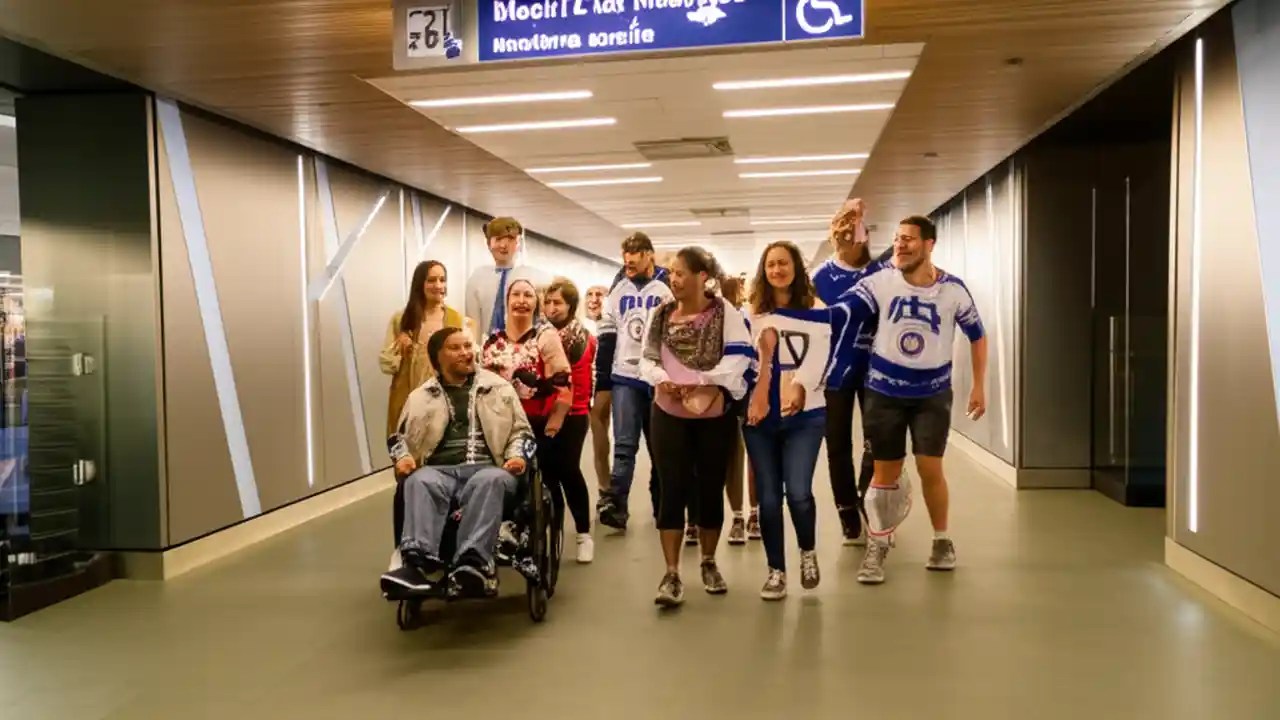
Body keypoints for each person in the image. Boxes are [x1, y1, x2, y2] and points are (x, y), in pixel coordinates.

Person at [833, 215, 988, 584]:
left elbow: (977, 335)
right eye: (897, 238)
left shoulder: (953, 290)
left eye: (909, 239)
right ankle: (878, 543)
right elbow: (840, 310)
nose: (900, 245)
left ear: (929, 244)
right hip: (884, 391)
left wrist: (979, 385)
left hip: (932, 394)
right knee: (884, 472)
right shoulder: (881, 281)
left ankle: (941, 539)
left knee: (930, 467)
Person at [380, 327, 533, 600]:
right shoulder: (420, 396)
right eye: (456, 348)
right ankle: (416, 564)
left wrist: (517, 455)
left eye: (467, 346)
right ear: (437, 357)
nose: (466, 353)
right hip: (439, 470)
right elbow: (398, 438)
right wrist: (402, 457)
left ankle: (472, 563)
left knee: (490, 480)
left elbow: (521, 431)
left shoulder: (498, 388)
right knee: (418, 481)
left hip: (489, 467)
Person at [641, 247, 752, 608]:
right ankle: (671, 573)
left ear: (703, 277)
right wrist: (662, 378)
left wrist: (704, 379)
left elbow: (740, 357)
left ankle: (708, 561)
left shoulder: (725, 313)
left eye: (680, 272)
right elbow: (647, 358)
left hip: (711, 414)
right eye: (670, 273)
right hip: (667, 412)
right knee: (671, 487)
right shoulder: (660, 314)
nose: (673, 279)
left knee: (709, 487)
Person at [741, 241, 831, 600]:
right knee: (767, 497)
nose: (777, 270)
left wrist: (801, 384)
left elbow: (821, 352)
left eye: (784, 263)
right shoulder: (751, 315)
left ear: (796, 268)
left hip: (805, 416)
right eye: (771, 264)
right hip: (760, 417)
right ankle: (776, 570)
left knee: (798, 492)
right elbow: (744, 360)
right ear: (764, 271)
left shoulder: (816, 310)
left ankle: (807, 552)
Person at [479, 279, 590, 564]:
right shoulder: (492, 342)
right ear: (507, 300)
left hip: (541, 420)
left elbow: (564, 382)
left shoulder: (545, 336)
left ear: (535, 303)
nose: (521, 300)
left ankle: (582, 534)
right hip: (502, 426)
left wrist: (556, 419)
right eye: (516, 294)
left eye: (528, 295)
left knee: (561, 473)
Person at [810, 199, 894, 546]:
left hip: (875, 369)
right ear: (836, 236)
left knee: (877, 442)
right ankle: (847, 510)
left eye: (858, 231)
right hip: (835, 371)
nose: (853, 238)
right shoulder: (820, 278)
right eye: (845, 232)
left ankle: (865, 498)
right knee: (837, 444)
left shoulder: (881, 273)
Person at [595, 232, 674, 531]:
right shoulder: (617, 289)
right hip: (624, 377)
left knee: (660, 447)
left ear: (649, 255)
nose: (629, 259)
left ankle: (663, 506)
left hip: (658, 378)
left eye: (636, 253)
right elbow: (606, 337)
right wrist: (603, 383)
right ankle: (617, 505)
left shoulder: (666, 288)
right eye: (626, 253)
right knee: (625, 445)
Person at [537, 278, 598, 563]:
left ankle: (584, 533)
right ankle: (554, 530)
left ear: (571, 306)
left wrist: (570, 406)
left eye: (557, 303)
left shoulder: (582, 338)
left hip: (574, 414)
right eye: (547, 302)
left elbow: (580, 383)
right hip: (544, 414)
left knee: (568, 470)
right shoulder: (538, 336)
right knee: (547, 473)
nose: (551, 308)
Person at [378, 260, 468, 436]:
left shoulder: (456, 318)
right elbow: (387, 363)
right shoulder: (402, 319)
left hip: (445, 400)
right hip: (409, 399)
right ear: (420, 284)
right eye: (432, 280)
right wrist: (400, 348)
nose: (438, 285)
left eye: (442, 280)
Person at [465, 216, 551, 337]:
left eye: (510, 239)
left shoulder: (537, 278)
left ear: (518, 243)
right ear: (489, 243)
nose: (504, 245)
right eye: (498, 239)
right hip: (487, 346)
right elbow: (472, 322)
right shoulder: (477, 278)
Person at [718, 275, 756, 546]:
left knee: (750, 454)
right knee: (735, 454)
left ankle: (749, 515)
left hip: (751, 388)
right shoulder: (716, 318)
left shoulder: (752, 315)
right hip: (727, 391)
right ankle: (742, 516)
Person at [582, 283, 612, 495]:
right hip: (590, 384)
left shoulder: (610, 328)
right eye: (589, 294)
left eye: (599, 294)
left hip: (607, 380)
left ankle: (607, 486)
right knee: (597, 428)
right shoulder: (584, 328)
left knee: (598, 419)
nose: (594, 299)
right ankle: (604, 485)